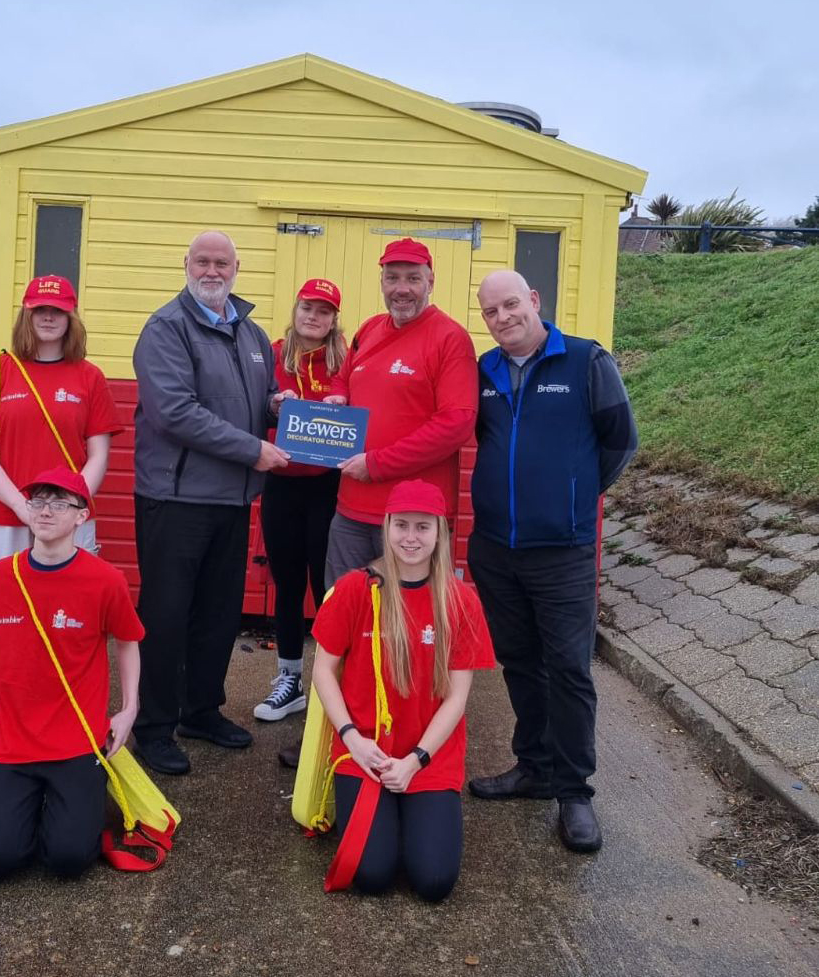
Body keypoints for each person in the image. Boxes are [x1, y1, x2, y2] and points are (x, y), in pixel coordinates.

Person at [466, 270, 638, 854]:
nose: (503, 317)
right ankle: (534, 768)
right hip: (496, 549)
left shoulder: (586, 361)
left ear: (534, 301)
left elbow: (621, 441)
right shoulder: (484, 371)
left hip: (563, 551)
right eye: (491, 311)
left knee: (568, 669)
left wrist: (573, 495)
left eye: (511, 304)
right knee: (519, 661)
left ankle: (574, 792)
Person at [131, 230, 290, 775]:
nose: (212, 271)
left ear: (236, 268)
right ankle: (153, 727)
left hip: (231, 500)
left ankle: (200, 711)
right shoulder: (166, 328)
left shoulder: (251, 332)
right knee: (166, 615)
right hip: (175, 498)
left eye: (222, 262)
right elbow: (174, 412)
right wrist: (253, 450)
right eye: (203, 261)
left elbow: (257, 399)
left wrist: (278, 405)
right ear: (187, 264)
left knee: (219, 615)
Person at [0, 274, 121, 782]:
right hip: (5, 519)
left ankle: (69, 734)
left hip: (69, 523)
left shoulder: (89, 377)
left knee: (72, 630)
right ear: (26, 315)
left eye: (58, 310)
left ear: (71, 318)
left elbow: (98, 454)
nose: (49, 317)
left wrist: (69, 507)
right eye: (40, 309)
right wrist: (21, 504)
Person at [310, 480, 495, 900]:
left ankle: (411, 810)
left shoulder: (461, 601)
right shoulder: (356, 589)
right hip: (364, 752)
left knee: (434, 882)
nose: (411, 537)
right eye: (402, 525)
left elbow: (457, 697)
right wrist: (352, 739)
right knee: (372, 875)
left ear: (440, 532)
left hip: (429, 757)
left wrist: (416, 761)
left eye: (423, 527)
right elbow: (323, 670)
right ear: (387, 526)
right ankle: (377, 812)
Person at [0, 467, 143, 881]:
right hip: (14, 740)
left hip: (76, 740)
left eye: (60, 503)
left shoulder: (105, 581)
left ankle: (69, 809)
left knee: (68, 859)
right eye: (38, 501)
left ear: (82, 516)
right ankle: (35, 809)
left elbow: (128, 641)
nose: (45, 511)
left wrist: (128, 709)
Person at [324, 237, 477, 586]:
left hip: (414, 517)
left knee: (409, 613)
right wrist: (337, 398)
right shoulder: (369, 329)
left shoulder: (450, 338)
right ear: (381, 282)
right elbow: (343, 378)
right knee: (341, 605)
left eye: (413, 278)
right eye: (392, 278)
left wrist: (378, 464)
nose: (401, 289)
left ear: (430, 282)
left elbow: (456, 423)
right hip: (350, 510)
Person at [254, 278, 347, 723]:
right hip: (282, 483)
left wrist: (344, 399)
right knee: (287, 584)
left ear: (333, 320)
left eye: (324, 311)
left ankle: (333, 685)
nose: (314, 316)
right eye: (308, 307)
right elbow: (253, 406)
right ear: (295, 310)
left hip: (330, 486)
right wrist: (273, 404)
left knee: (327, 588)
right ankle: (289, 680)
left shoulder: (346, 360)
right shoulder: (273, 354)